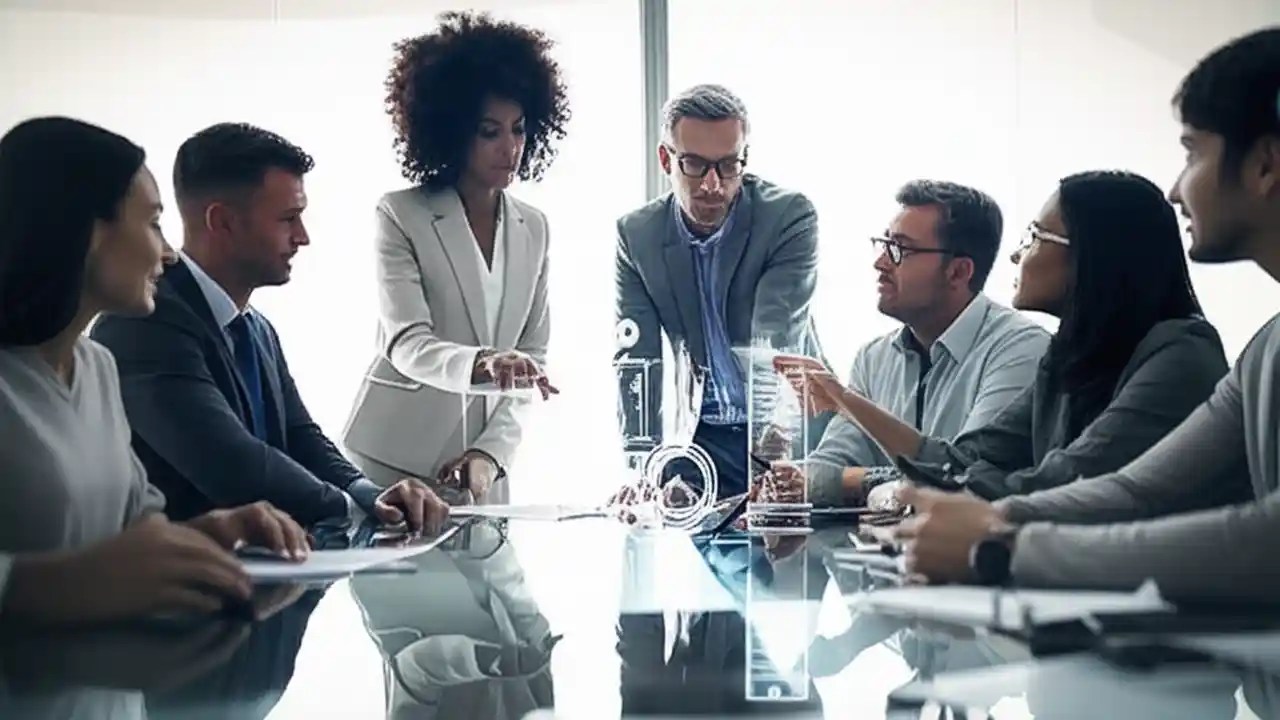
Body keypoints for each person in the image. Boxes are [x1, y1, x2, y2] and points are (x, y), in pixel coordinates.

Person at [891, 27, 1280, 602]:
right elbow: (1131, 490)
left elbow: (1262, 539)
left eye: (1193, 151)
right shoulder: (1267, 346)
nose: (1176, 190)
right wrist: (991, 521)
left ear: (1266, 165)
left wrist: (1001, 545)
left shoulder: (1183, 351)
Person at [0, 116, 310, 630]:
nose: (167, 251)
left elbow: (133, 524)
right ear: (87, 231)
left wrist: (206, 535)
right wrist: (46, 584)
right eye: (152, 222)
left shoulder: (97, 368)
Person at [781, 170, 1226, 501]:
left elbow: (1062, 483)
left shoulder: (1179, 355)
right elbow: (960, 462)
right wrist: (844, 400)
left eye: (1034, 237)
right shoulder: (1068, 360)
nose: (1016, 254)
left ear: (1091, 257)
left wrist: (901, 494)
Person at [92, 123, 448, 532]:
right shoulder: (144, 323)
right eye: (288, 219)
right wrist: (355, 509)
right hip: (180, 584)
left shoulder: (256, 327)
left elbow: (300, 436)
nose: (303, 237)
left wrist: (368, 491)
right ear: (222, 222)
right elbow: (232, 464)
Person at [342, 11, 566, 506]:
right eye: (490, 131)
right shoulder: (401, 214)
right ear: (452, 131)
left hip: (481, 472)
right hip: (391, 462)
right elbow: (406, 342)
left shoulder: (536, 227)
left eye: (519, 129)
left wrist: (489, 454)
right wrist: (485, 363)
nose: (510, 148)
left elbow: (534, 355)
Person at [615, 83, 822, 497]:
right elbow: (636, 362)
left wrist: (768, 461)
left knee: (790, 558)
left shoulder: (787, 217)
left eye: (729, 165)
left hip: (784, 435)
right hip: (701, 437)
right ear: (665, 159)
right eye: (694, 164)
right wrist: (644, 469)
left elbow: (774, 342)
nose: (713, 184)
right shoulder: (637, 235)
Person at [801, 180, 1049, 507]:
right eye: (884, 243)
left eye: (901, 249)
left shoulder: (1020, 351)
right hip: (885, 552)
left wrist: (859, 482)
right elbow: (820, 474)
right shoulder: (873, 358)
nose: (881, 262)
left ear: (959, 272)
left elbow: (970, 479)